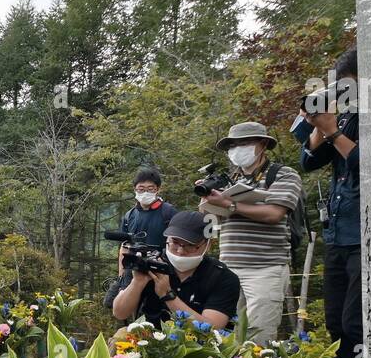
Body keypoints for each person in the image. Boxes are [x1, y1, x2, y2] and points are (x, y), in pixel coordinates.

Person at [299, 45, 364, 358]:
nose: (343, 95)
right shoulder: (344, 117)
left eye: (349, 87)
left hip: (366, 237)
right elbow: (308, 163)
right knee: (337, 323)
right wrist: (320, 126)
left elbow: (367, 163)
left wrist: (335, 130)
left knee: (358, 324)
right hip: (338, 237)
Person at [198, 122, 302, 343]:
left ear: (262, 144)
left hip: (265, 268)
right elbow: (212, 221)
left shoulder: (283, 175)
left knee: (259, 337)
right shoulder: (229, 181)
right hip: (228, 267)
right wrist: (208, 203)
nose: (237, 150)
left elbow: (275, 213)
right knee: (225, 338)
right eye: (233, 146)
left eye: (244, 143)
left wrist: (230, 205)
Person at [107, 210, 241, 328]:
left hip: (200, 348)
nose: (180, 251)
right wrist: (137, 283)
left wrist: (167, 295)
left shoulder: (222, 277)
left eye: (190, 245)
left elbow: (211, 328)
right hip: (148, 341)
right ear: (167, 239)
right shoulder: (147, 263)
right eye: (175, 242)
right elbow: (120, 313)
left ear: (208, 245)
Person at [120, 165, 177, 247]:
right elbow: (124, 245)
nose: (145, 193)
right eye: (141, 189)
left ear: (158, 189)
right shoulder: (129, 215)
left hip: (160, 259)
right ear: (135, 189)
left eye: (150, 189)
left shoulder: (169, 212)